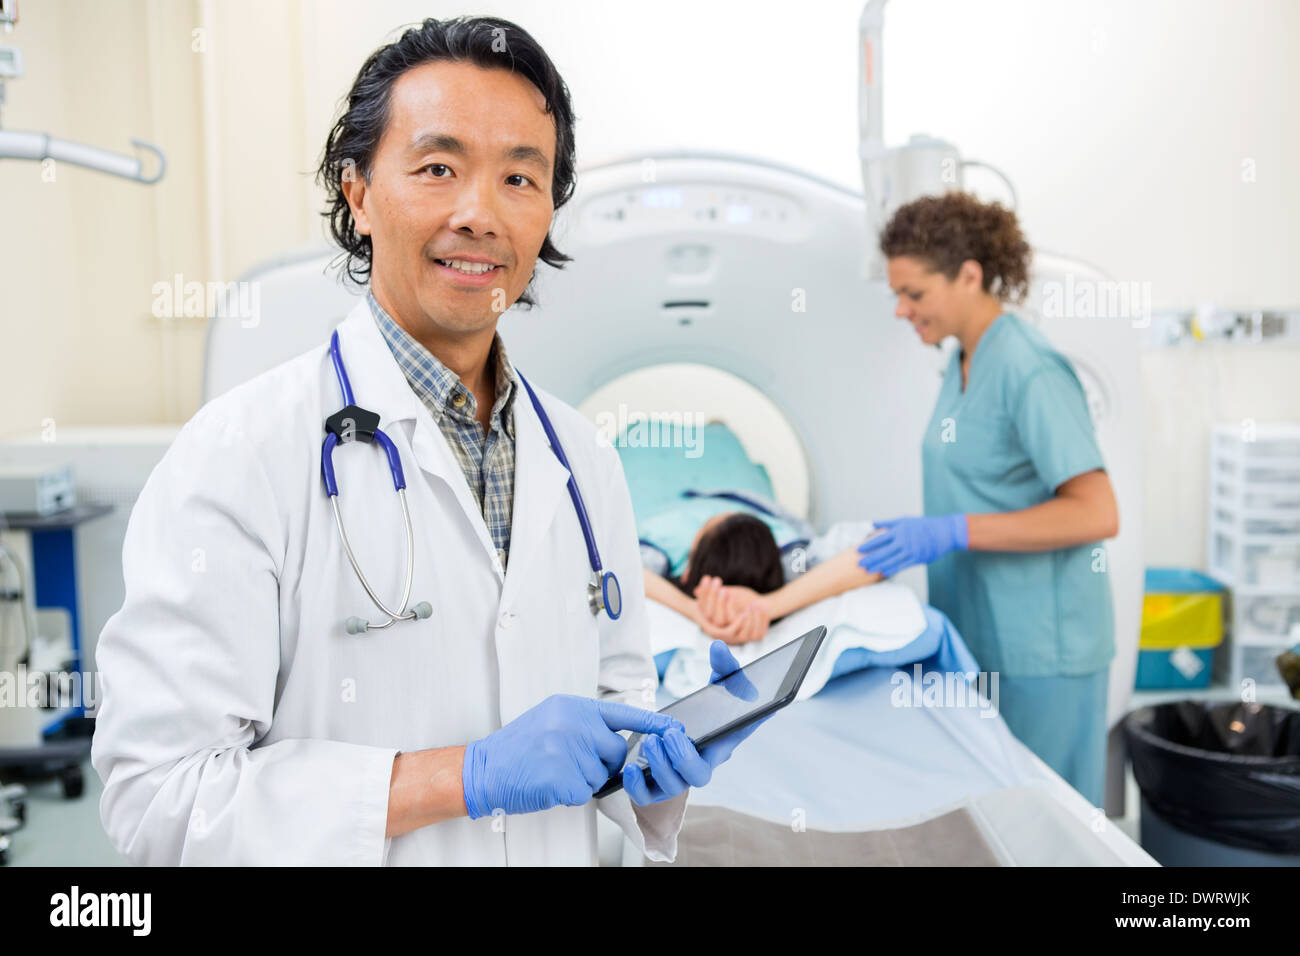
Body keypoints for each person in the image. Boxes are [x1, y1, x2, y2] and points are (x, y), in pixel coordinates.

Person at [90, 16, 755, 867]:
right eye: (439, 168)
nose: (480, 214)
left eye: (521, 176)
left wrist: (650, 770)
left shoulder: (583, 459)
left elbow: (613, 698)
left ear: (548, 210)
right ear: (360, 193)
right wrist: (464, 777)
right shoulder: (240, 453)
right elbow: (161, 803)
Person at [856, 191, 1119, 806]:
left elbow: (1098, 511)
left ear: (969, 276)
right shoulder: (963, 359)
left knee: (1052, 827)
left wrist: (953, 532)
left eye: (914, 294)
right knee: (1005, 819)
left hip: (1044, 649)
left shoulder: (1030, 368)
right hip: (985, 632)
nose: (900, 310)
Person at [644, 510, 884, 644]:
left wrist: (768, 605)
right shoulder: (798, 563)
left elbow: (885, 543)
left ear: (687, 573)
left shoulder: (794, 560)